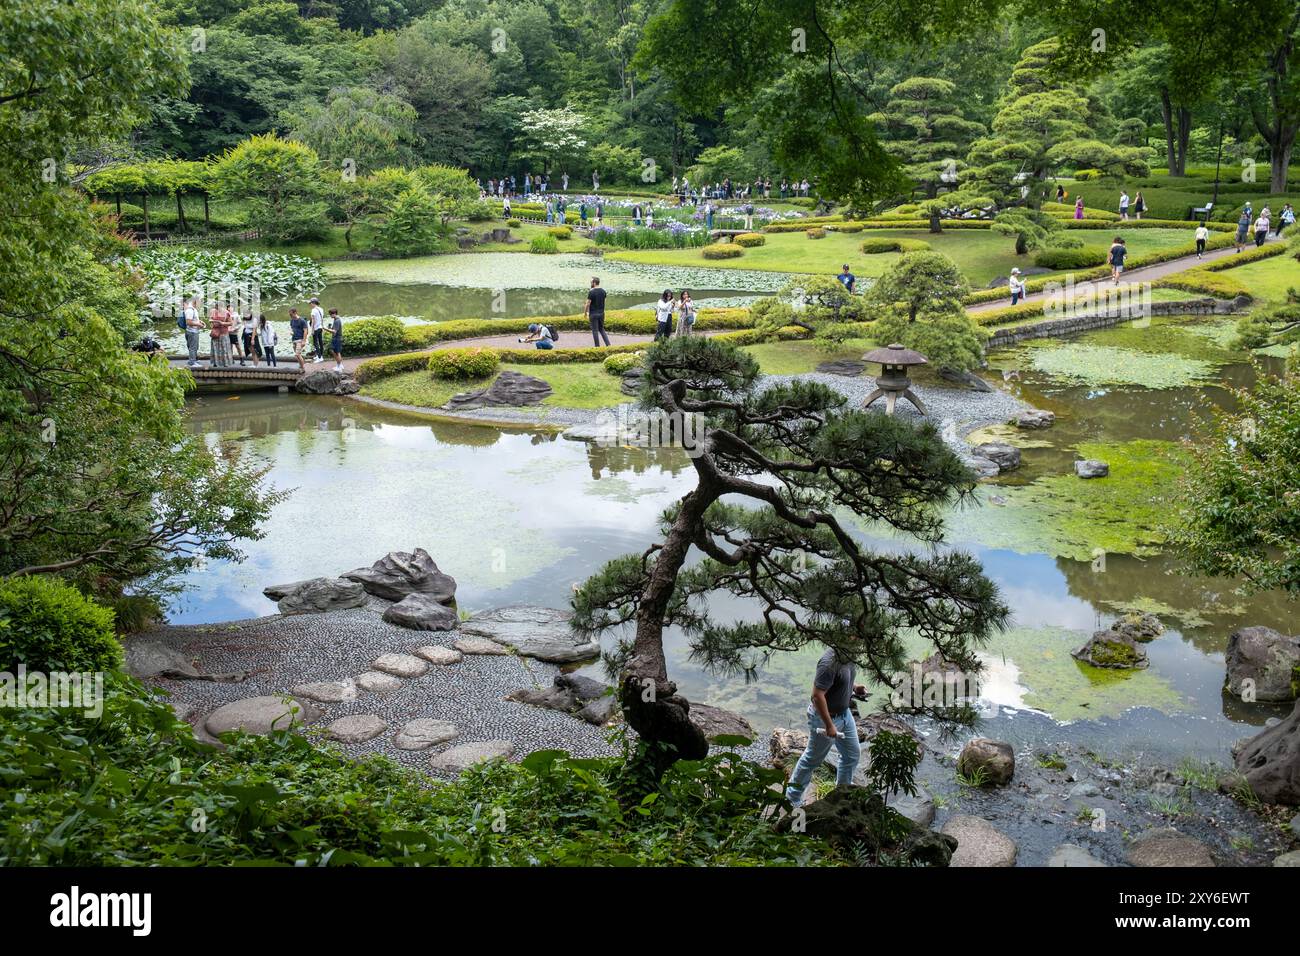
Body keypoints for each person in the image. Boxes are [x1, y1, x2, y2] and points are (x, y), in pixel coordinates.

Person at [783, 647, 865, 807]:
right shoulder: (828, 662)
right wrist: (829, 725)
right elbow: (816, 696)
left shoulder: (848, 653)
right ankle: (792, 799)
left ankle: (842, 791)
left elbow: (839, 679)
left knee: (852, 754)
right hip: (824, 718)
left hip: (845, 714)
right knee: (812, 759)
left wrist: (854, 688)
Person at [585, 276, 610, 346]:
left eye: (591, 282)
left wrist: (585, 313)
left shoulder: (591, 292)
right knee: (602, 329)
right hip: (601, 313)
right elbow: (604, 302)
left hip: (593, 314)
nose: (590, 283)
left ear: (594, 283)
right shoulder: (603, 291)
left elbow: (587, 304)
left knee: (595, 331)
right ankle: (608, 345)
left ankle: (597, 347)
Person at [209, 303, 232, 368]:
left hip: (223, 333)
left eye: (218, 307)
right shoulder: (213, 311)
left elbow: (231, 323)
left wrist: (222, 323)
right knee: (215, 348)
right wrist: (212, 322)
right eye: (216, 307)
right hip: (215, 333)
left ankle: (225, 363)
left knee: (224, 349)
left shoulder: (227, 313)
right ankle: (215, 363)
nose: (217, 309)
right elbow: (210, 319)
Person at [183, 297, 203, 367]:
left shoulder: (194, 309)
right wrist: (198, 324)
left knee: (195, 346)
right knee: (192, 347)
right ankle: (192, 362)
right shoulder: (190, 310)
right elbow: (188, 322)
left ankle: (194, 360)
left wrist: (200, 322)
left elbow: (193, 319)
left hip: (194, 331)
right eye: (199, 303)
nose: (200, 304)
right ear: (195, 302)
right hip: (192, 332)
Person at [309, 297, 325, 363]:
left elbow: (313, 321)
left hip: (316, 328)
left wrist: (312, 330)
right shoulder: (321, 309)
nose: (310, 304)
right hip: (320, 327)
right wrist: (322, 326)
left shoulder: (313, 310)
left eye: (311, 303)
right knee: (320, 342)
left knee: (315, 343)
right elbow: (322, 319)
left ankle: (319, 357)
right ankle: (320, 355)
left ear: (314, 303)